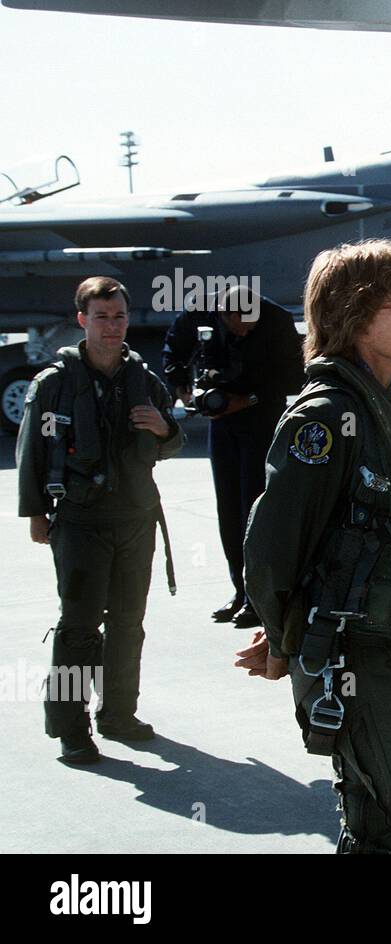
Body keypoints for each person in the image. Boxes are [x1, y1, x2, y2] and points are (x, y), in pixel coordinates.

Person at [235, 239, 391, 854]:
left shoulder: (390, 405)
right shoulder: (325, 419)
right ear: (355, 316)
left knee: (381, 830)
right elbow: (273, 550)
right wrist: (288, 638)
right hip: (368, 668)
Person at [15, 277, 184, 764]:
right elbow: (32, 454)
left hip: (135, 518)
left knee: (129, 622)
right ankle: (72, 728)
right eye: (102, 316)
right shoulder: (54, 384)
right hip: (80, 519)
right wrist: (35, 516)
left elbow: (171, 445)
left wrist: (165, 428)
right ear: (82, 320)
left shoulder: (144, 380)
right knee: (79, 627)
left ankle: (119, 715)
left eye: (119, 316)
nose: (112, 326)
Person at [162, 285, 304, 627]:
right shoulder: (200, 314)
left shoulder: (276, 321)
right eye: (240, 325)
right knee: (228, 507)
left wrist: (249, 399)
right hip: (221, 422)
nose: (247, 330)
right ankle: (240, 591)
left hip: (262, 417)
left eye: (252, 324)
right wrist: (182, 386)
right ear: (224, 315)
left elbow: (295, 375)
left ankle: (262, 598)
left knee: (256, 507)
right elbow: (173, 349)